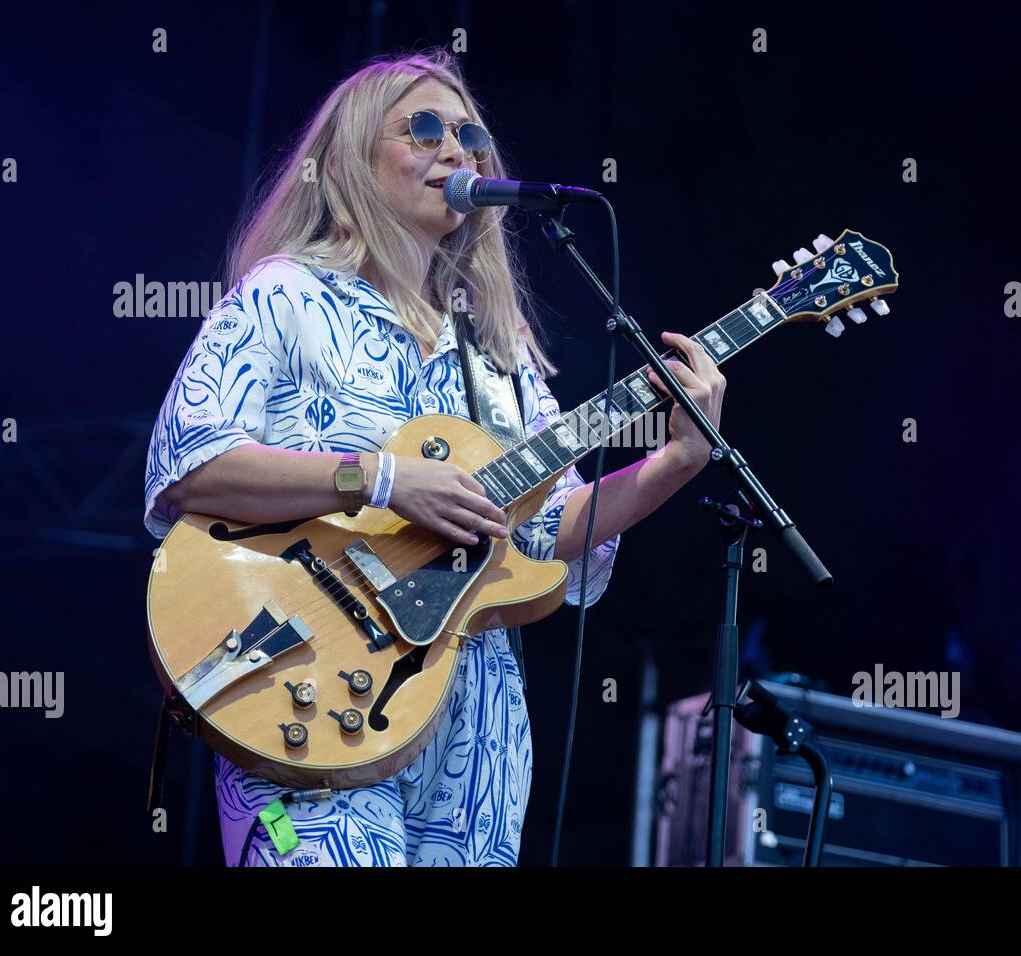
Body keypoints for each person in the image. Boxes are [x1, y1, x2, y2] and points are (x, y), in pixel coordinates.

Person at [143, 49, 726, 866]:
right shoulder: (288, 296)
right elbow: (188, 465)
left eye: (469, 133)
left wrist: (676, 461)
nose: (457, 150)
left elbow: (549, 528)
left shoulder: (498, 353)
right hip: (299, 682)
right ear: (349, 157)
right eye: (422, 129)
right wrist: (380, 478)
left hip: (474, 730)